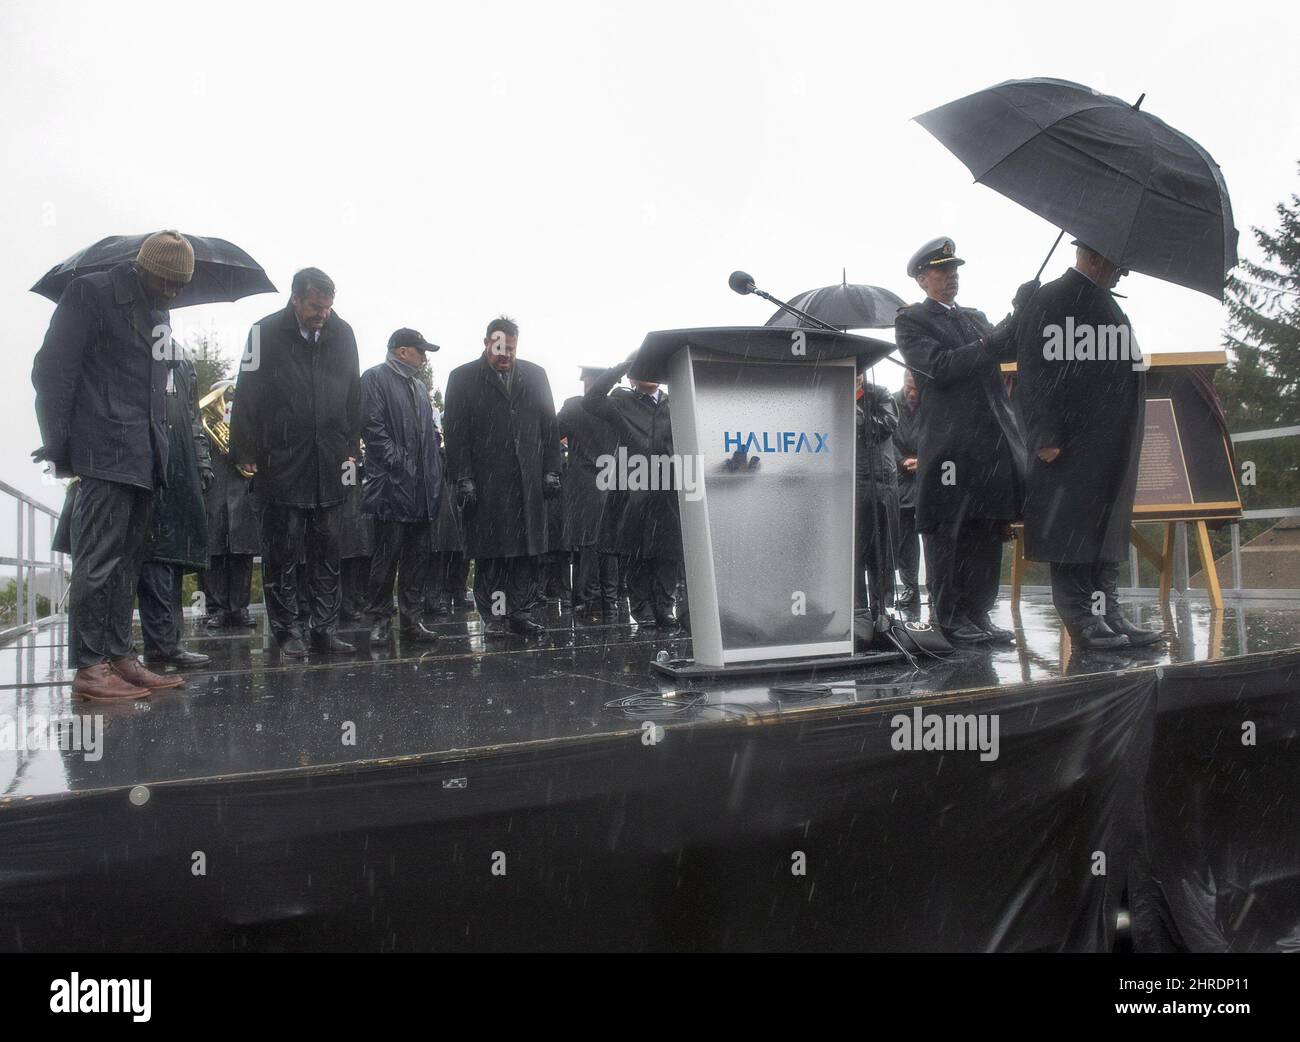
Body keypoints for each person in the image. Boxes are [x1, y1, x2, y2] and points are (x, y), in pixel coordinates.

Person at [32, 230, 194, 700]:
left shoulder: (159, 312)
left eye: (178, 285)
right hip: (103, 450)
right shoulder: (91, 292)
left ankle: (119, 655)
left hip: (146, 454)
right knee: (98, 561)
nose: (171, 292)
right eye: (164, 281)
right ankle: (88, 666)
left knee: (128, 563)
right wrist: (61, 448)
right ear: (143, 267)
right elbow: (52, 370)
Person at [1014, 241, 1163, 651]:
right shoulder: (1052, 298)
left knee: (1105, 530)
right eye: (1117, 262)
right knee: (1074, 531)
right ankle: (1083, 619)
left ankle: (1107, 613)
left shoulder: (1101, 299)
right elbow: (1035, 369)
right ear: (1094, 256)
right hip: (1071, 442)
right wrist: (1044, 434)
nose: (1122, 272)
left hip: (1107, 441)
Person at [895, 237, 1032, 645]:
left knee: (986, 532)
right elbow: (941, 366)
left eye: (954, 269)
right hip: (950, 447)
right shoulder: (912, 321)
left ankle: (978, 614)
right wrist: (990, 342)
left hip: (989, 443)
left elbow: (1004, 344)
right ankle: (951, 618)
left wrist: (1020, 311)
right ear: (922, 279)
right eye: (941, 270)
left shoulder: (974, 317)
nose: (950, 276)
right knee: (949, 534)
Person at [230, 267, 361, 657]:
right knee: (281, 551)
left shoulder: (344, 334)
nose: (322, 313)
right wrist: (245, 450)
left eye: (328, 306)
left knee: (328, 551)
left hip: (330, 458)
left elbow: (353, 391)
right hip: (281, 458)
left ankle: (323, 629)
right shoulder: (262, 333)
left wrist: (352, 444)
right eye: (315, 306)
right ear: (295, 298)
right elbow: (246, 391)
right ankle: (288, 631)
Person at [443, 316, 562, 637]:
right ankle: (495, 617)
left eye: (510, 348)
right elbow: (455, 434)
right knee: (492, 556)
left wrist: (552, 469)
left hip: (528, 483)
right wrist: (463, 477)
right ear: (486, 344)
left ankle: (519, 614)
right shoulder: (463, 377)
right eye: (498, 347)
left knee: (525, 554)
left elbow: (549, 426)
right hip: (487, 484)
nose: (504, 354)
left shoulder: (535, 375)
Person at [581, 354, 685, 630]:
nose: (648, 372)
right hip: (632, 486)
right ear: (631, 376)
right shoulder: (620, 400)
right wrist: (623, 365)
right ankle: (642, 609)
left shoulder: (674, 401)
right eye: (641, 368)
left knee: (668, 550)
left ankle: (665, 606)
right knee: (635, 549)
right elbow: (590, 401)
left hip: (667, 484)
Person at [361, 329, 443, 644]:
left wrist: (429, 473)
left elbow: (427, 436)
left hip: (422, 489)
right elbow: (372, 427)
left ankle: (411, 620)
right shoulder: (374, 378)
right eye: (421, 351)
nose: (425, 358)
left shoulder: (420, 387)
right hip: (391, 488)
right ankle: (379, 620)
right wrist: (400, 464)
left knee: (417, 559)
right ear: (402, 351)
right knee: (386, 558)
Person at [138, 354, 213, 668]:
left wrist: (202, 461)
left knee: (171, 559)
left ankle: (167, 643)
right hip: (142, 462)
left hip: (179, 468)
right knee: (151, 557)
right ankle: (160, 643)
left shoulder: (180, 361)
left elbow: (193, 417)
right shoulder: (135, 347)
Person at [557, 366, 621, 618]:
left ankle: (586, 599)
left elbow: (550, 433)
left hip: (583, 486)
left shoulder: (574, 407)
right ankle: (610, 599)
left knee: (587, 544)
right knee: (609, 544)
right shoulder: (617, 408)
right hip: (613, 481)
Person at [200, 380, 260, 629]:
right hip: (214, 488)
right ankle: (215, 609)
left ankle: (239, 608)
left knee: (241, 552)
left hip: (241, 491)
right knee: (214, 552)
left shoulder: (251, 423)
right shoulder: (204, 425)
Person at [855, 371, 900, 619]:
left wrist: (856, 411)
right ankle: (859, 611)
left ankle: (882, 608)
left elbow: (887, 425)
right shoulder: (833, 392)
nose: (858, 375)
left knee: (882, 551)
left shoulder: (880, 393)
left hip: (882, 481)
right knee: (855, 551)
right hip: (852, 481)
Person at [892, 370, 924, 612]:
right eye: (908, 387)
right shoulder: (892, 403)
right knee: (906, 538)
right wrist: (902, 461)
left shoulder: (934, 404)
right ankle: (910, 586)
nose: (912, 393)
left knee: (934, 539)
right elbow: (886, 440)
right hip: (901, 477)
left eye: (916, 388)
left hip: (930, 476)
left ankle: (935, 586)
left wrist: (925, 460)